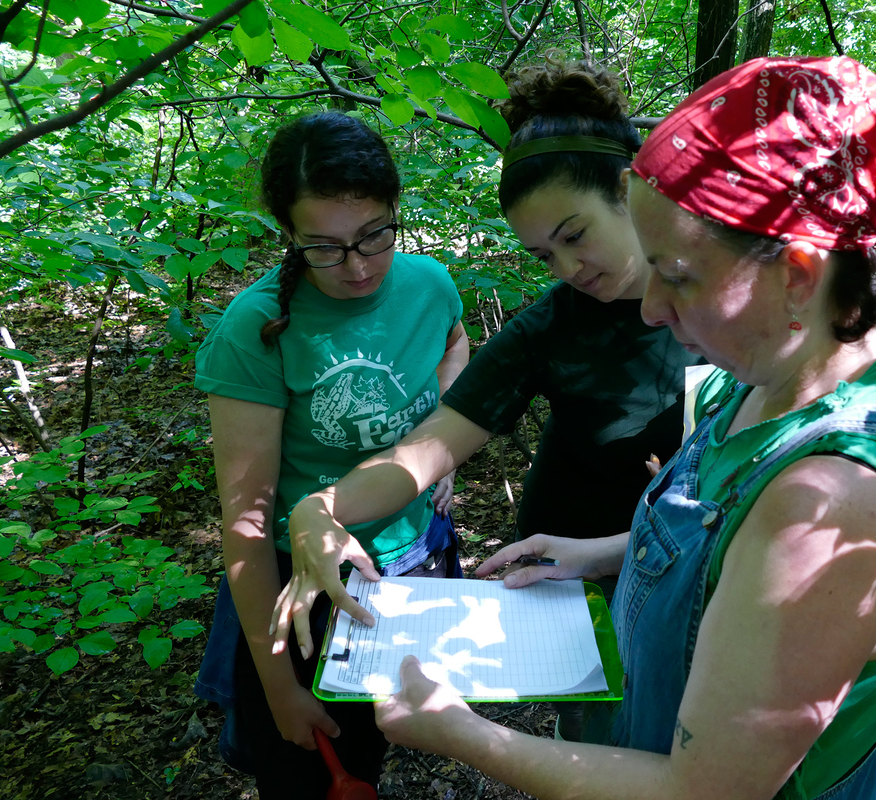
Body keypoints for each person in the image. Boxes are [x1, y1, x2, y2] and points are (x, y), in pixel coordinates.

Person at [370, 55, 876, 800]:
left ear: (798, 273)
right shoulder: (778, 374)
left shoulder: (832, 502)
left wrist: (463, 734)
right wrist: (600, 554)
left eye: (679, 275)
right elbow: (729, 548)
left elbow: (703, 790)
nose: (651, 307)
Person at [270, 59, 702, 660]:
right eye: (544, 255)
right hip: (571, 577)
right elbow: (428, 449)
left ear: (630, 190)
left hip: (701, 569)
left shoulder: (724, 301)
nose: (569, 270)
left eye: (575, 236)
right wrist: (324, 506)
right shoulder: (551, 327)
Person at [191, 111, 468, 799]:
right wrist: (279, 686)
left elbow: (456, 344)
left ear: (394, 210)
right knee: (305, 773)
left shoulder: (429, 283)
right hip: (305, 588)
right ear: (288, 235)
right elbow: (247, 525)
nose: (357, 266)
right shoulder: (256, 329)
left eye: (374, 235)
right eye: (324, 246)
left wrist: (443, 448)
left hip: (413, 559)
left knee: (374, 742)